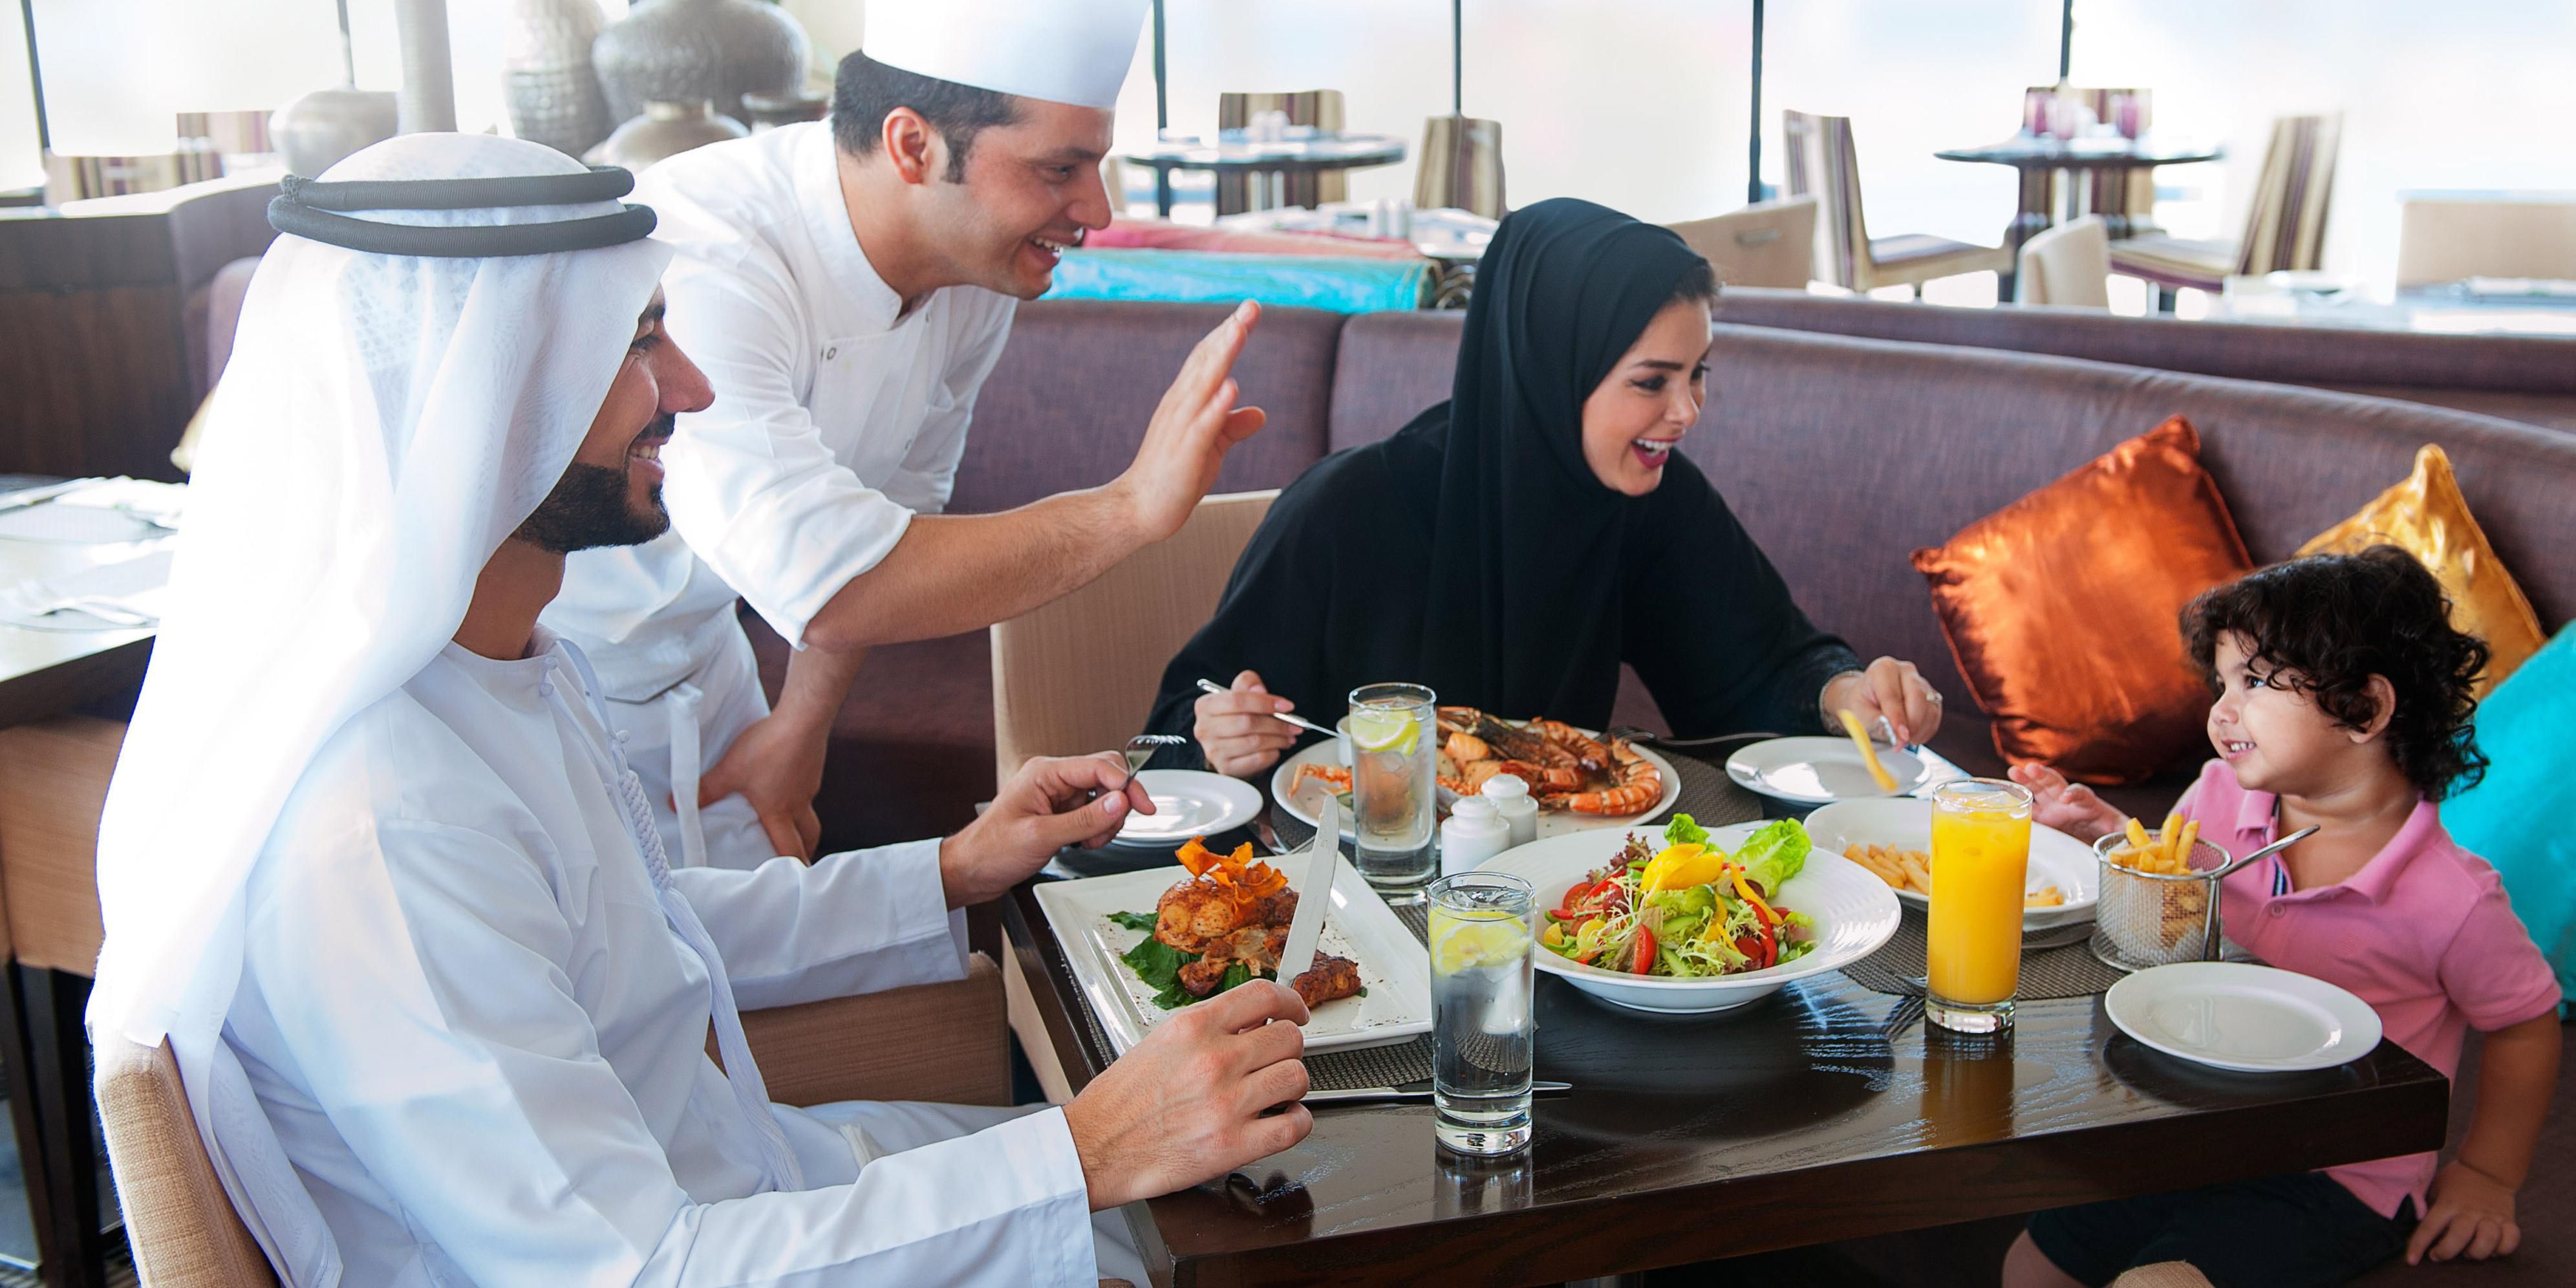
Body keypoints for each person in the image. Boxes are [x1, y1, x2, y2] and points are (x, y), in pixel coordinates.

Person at [85, 134, 1310, 1287]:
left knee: (1189, 1209)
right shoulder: (381, 825)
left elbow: (639, 931)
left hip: (749, 1186)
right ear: (486, 394)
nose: (694, 387)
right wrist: (1085, 1155)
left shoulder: (495, 665)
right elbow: (634, 1270)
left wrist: (951, 865)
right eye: (638, 346)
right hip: (704, 1253)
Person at [544, 0, 1267, 869]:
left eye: (1097, 164)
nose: (1097, 208)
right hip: (553, 684)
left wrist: (801, 730)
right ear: (911, 145)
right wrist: (1127, 510)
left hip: (710, 675)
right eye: (1060, 167)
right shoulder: (714, 257)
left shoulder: (972, 266)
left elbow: (896, 505)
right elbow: (835, 583)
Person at [1146, 198, 1945, 774]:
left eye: (1698, 375)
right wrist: (1217, 736)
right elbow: (1166, 736)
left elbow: (1761, 669)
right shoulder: (1348, 512)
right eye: (1651, 382)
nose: (1687, 411)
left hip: (1566, 902)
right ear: (1551, 373)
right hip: (1349, 912)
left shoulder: (1647, 499)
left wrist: (1850, 692)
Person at [2002, 548, 2561, 1288]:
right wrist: (2108, 835)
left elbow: (2524, 1023)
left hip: (2335, 1176)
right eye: (2224, 682)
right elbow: (2171, 905)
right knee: (2031, 1266)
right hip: (2195, 1125)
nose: (2221, 711)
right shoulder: (2216, 796)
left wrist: (2488, 1174)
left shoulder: (2453, 898)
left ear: (2363, 708)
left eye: (2257, 682)